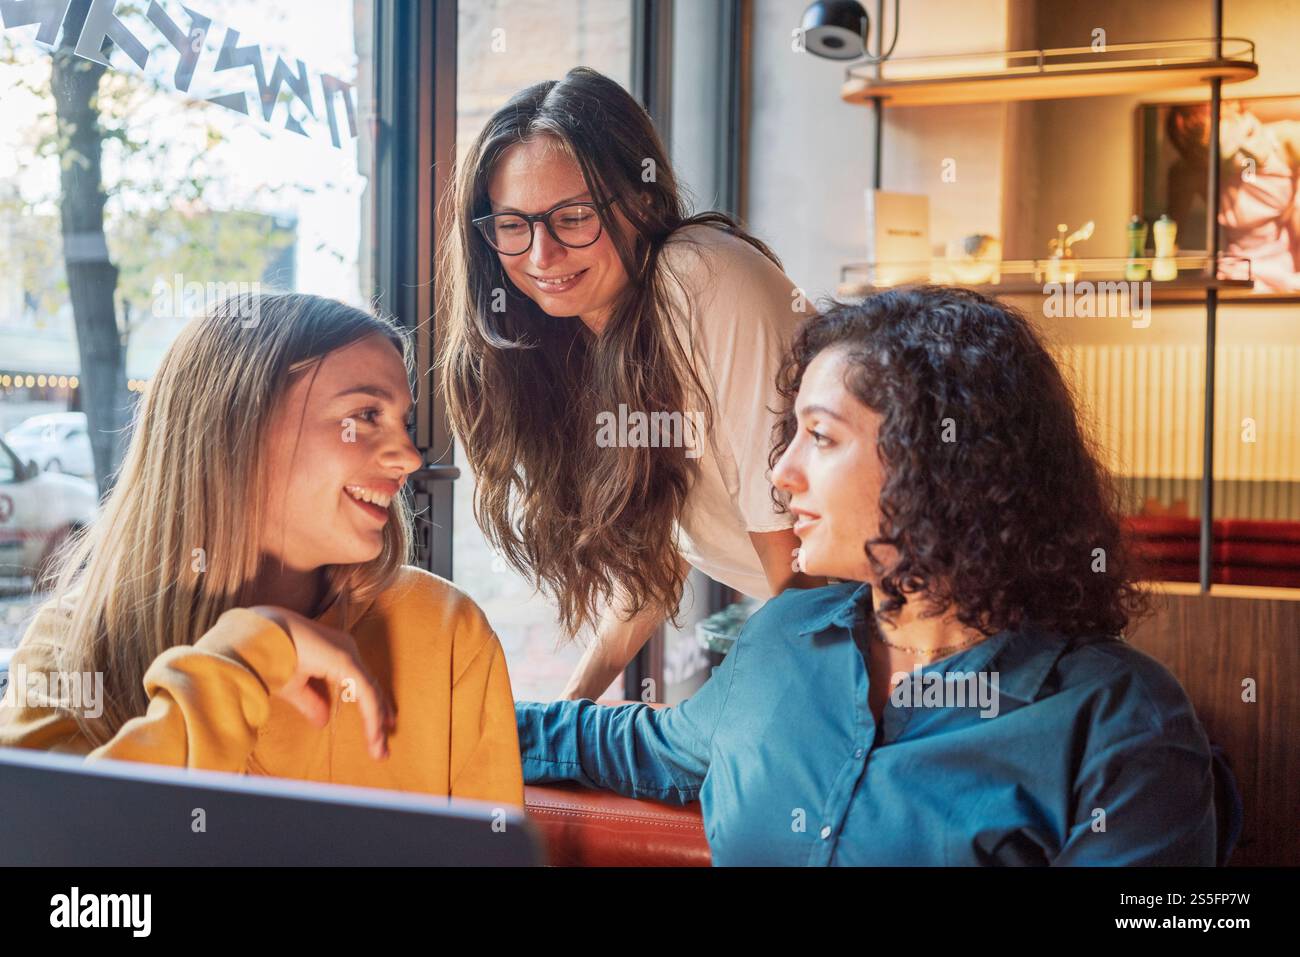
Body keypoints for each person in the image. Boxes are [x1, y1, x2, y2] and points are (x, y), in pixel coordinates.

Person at [516, 286, 1218, 865]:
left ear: (942, 458)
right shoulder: (782, 638)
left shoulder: (1121, 722)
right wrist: (437, 697)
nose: (781, 473)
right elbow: (631, 744)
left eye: (820, 437)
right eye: (789, 435)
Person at [0, 292, 523, 808]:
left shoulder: (444, 627)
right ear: (235, 429)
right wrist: (248, 657)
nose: (408, 457)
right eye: (365, 415)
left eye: (403, 422)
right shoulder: (71, 646)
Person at [440, 67, 819, 701]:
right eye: (512, 225)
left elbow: (800, 569)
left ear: (641, 198)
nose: (541, 256)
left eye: (574, 216)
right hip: (842, 634)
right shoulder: (593, 335)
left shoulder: (697, 277)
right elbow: (656, 557)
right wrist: (573, 705)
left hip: (917, 634)